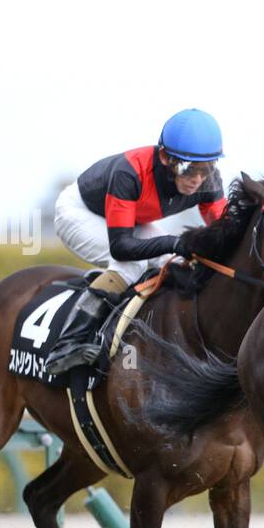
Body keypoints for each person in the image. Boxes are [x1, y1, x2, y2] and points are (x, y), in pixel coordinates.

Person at [43, 108, 227, 376]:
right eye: (188, 168)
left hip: (132, 219)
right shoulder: (128, 173)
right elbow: (121, 247)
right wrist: (174, 242)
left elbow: (225, 229)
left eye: (206, 167)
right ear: (165, 157)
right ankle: (67, 343)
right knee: (131, 266)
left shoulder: (208, 181)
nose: (197, 179)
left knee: (174, 264)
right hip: (80, 212)